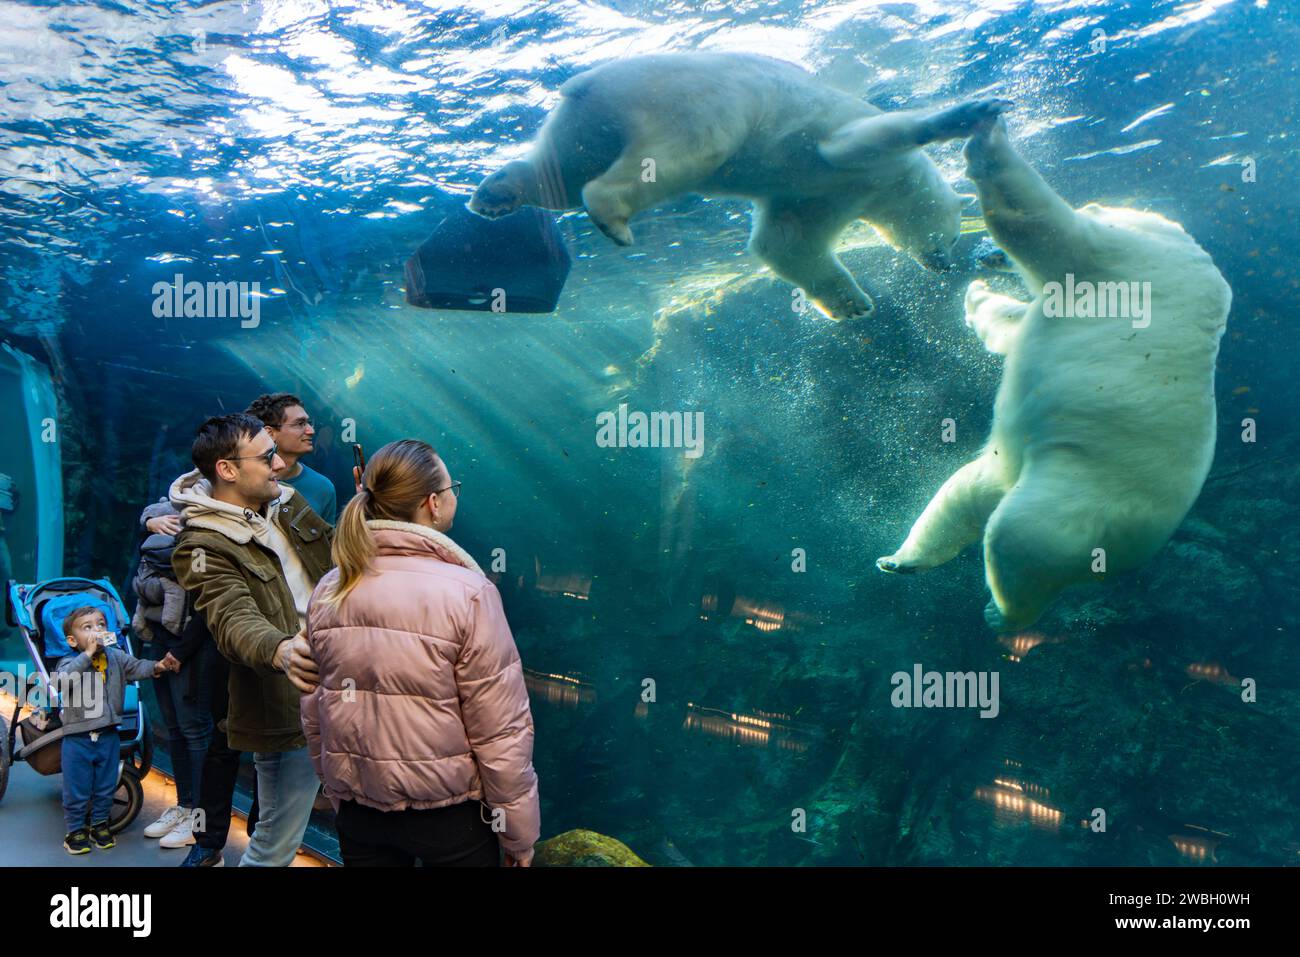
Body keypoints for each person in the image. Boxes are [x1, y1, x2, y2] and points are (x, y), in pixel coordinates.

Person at [302, 439, 540, 867]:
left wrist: (337, 791)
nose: (453, 497)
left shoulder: (331, 588)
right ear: (433, 503)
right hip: (450, 821)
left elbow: (316, 709)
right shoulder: (469, 594)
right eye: (453, 488)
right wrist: (517, 835)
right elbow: (499, 731)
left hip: (360, 813)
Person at [171, 413, 333, 867]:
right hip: (288, 700)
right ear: (227, 470)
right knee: (274, 844)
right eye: (267, 457)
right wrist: (280, 649)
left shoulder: (286, 501)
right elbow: (230, 617)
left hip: (340, 688)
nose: (279, 465)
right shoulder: (201, 545)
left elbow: (337, 555)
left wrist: (366, 508)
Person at [54, 606, 178, 854]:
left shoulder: (116, 657)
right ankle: (75, 830)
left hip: (109, 735)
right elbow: (61, 682)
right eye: (87, 627)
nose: (97, 630)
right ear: (71, 640)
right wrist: (87, 654)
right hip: (77, 738)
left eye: (100, 624)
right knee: (76, 788)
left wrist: (159, 666)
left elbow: (137, 667)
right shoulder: (69, 662)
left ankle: (100, 824)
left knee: (106, 785)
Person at [245, 393, 337, 524]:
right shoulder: (241, 481)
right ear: (269, 433)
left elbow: (326, 542)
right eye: (300, 424)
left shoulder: (323, 488)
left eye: (309, 423)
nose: (311, 431)